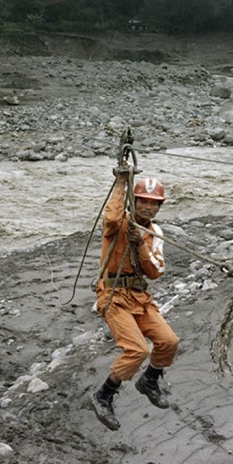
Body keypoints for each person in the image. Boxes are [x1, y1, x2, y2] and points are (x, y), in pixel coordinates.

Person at [90, 163, 179, 431]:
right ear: (134, 201)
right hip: (113, 294)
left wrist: (140, 245)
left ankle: (149, 381)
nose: (148, 208)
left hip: (140, 296)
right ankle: (103, 395)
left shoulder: (155, 233)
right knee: (137, 350)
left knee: (169, 341)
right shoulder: (118, 224)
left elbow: (155, 271)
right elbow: (112, 219)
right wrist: (120, 184)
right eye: (143, 202)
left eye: (154, 204)